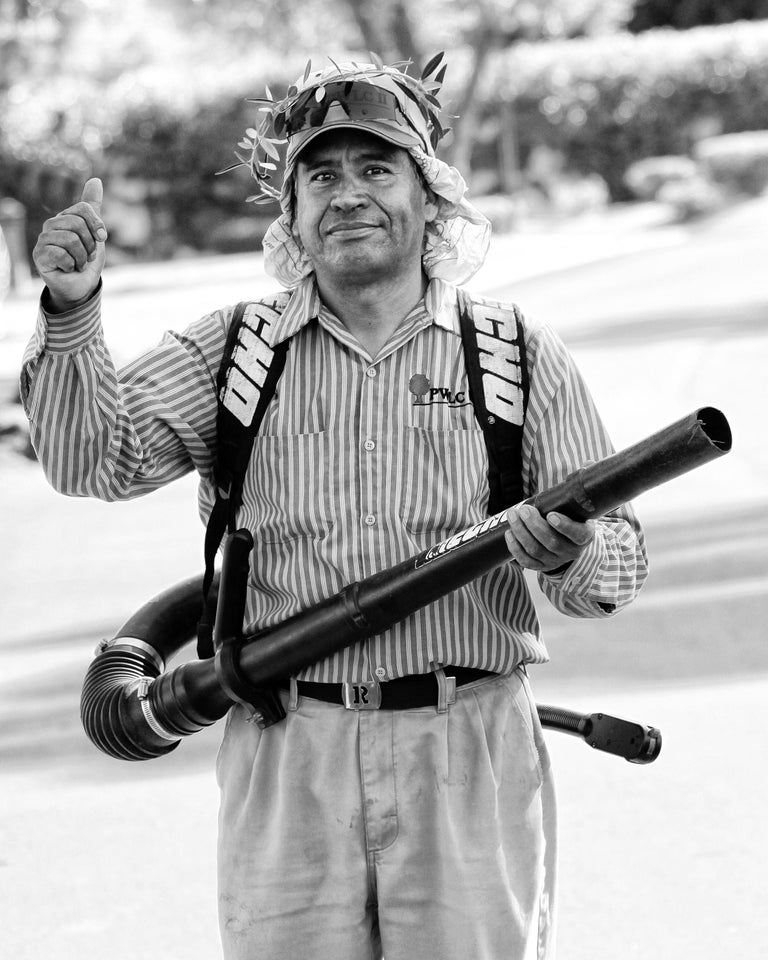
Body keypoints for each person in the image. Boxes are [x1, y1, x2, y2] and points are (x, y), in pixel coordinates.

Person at [22, 57, 648, 960]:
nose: (348, 195)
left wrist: (571, 554)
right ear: (293, 213)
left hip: (468, 750)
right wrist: (72, 308)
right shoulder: (234, 352)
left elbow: (615, 572)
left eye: (376, 169)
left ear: (430, 198)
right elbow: (92, 463)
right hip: (289, 753)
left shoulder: (514, 354)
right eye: (321, 177)